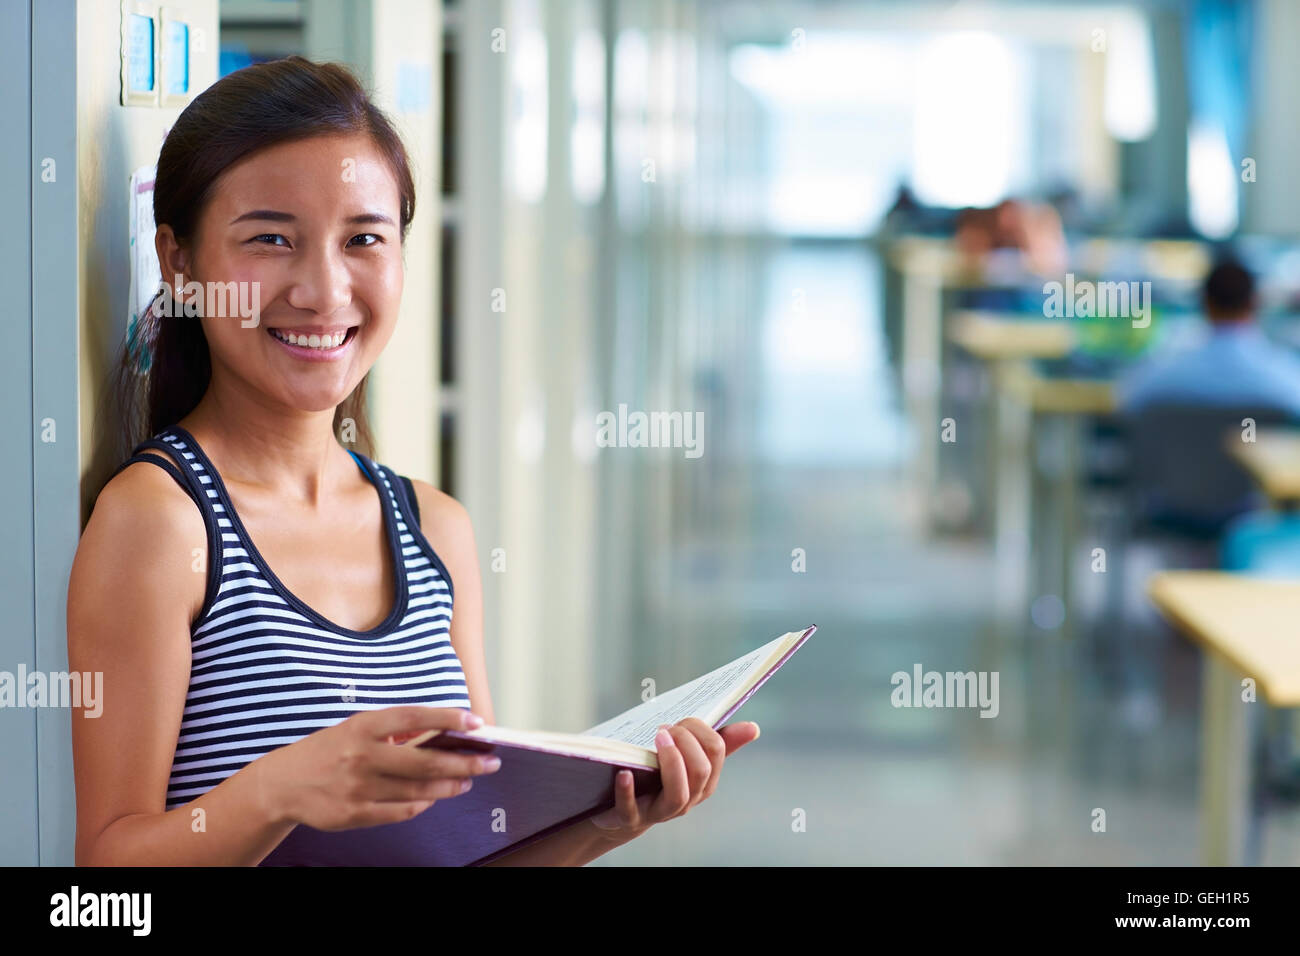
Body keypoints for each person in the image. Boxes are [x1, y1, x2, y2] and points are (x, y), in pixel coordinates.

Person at [67, 56, 759, 866]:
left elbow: (469, 851)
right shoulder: (160, 522)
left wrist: (605, 822)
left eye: (363, 238)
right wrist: (280, 791)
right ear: (180, 265)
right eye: (271, 239)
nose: (324, 291)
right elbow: (106, 882)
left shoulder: (434, 529)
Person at [1117, 258, 1300, 417]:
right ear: (1255, 303)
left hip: (1181, 457)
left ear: (1204, 302)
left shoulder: (1163, 375)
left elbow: (1128, 400)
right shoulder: (1285, 379)